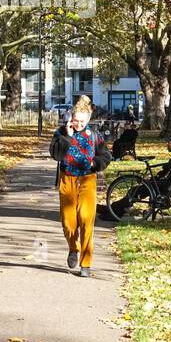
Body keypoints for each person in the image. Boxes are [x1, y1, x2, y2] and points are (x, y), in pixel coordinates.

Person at [47, 95, 111, 277]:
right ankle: (73, 248)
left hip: (87, 180)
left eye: (82, 121)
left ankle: (86, 263)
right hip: (67, 179)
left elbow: (106, 157)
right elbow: (55, 155)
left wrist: (95, 164)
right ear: (71, 118)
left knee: (86, 219)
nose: (79, 124)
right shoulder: (61, 133)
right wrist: (67, 137)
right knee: (68, 223)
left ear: (89, 119)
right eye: (76, 120)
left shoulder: (94, 136)